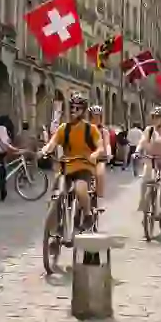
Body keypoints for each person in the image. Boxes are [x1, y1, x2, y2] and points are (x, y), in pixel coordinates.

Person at [38, 92, 102, 231]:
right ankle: (55, 228)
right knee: (57, 192)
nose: (74, 111)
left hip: (84, 166)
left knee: (80, 189)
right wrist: (45, 151)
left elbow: (100, 146)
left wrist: (95, 154)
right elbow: (52, 143)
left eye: (77, 108)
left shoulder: (90, 129)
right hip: (66, 166)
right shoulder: (63, 128)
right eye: (72, 107)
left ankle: (87, 214)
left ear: (83, 111)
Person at [0, 115, 21, 201]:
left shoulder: (0, 128)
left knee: (2, 171)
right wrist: (13, 148)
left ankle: (1, 189)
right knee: (2, 172)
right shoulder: (1, 128)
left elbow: (5, 141)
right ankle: (1, 189)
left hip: (0, 153)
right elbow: (4, 141)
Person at [86, 104, 112, 205]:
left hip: (99, 159)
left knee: (100, 174)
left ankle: (99, 199)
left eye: (98, 117)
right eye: (93, 117)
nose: (96, 119)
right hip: (85, 158)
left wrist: (109, 154)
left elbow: (107, 144)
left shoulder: (104, 131)